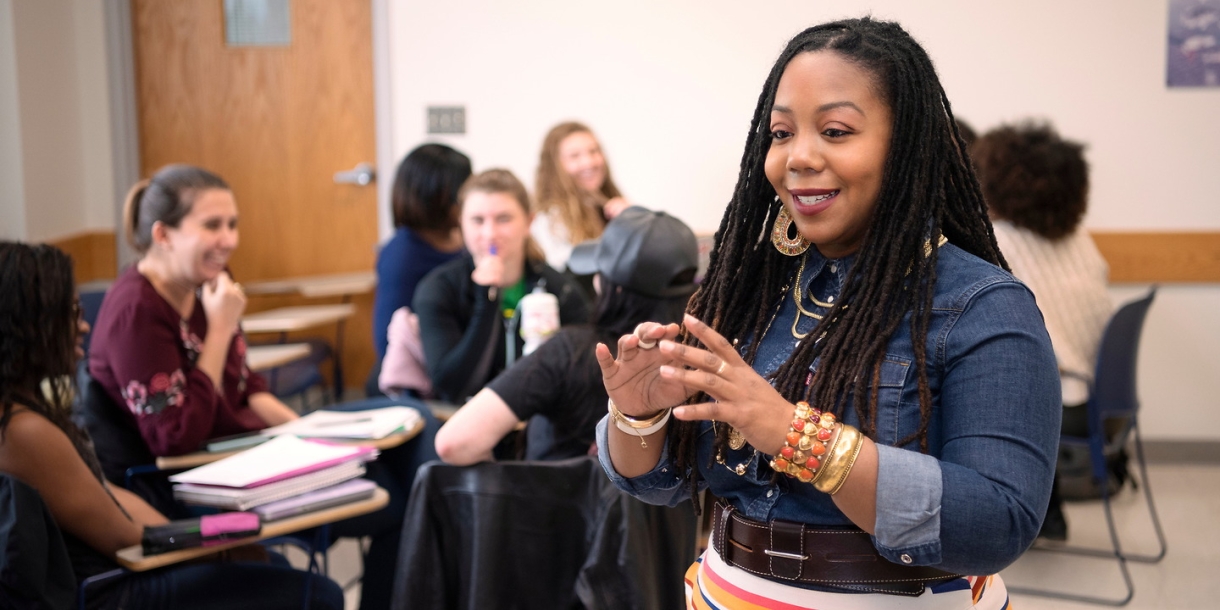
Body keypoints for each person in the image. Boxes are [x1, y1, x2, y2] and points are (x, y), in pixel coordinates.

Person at [594, 18, 1060, 608]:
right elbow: (662, 484)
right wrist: (638, 418)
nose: (798, 157)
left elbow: (997, 522)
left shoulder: (982, 307)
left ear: (907, 147)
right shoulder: (748, 291)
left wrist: (796, 437)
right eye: (781, 133)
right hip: (722, 591)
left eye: (837, 131)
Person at [87, 164, 440, 610]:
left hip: (252, 450)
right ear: (163, 235)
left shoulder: (205, 282)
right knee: (404, 498)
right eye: (212, 225)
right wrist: (218, 330)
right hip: (190, 481)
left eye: (232, 224)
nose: (229, 240)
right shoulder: (135, 311)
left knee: (415, 437)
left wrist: (319, 440)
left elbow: (249, 389)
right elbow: (175, 437)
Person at [0, 241, 344, 610]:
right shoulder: (24, 430)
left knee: (270, 565)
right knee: (317, 595)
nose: (83, 325)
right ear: (29, 325)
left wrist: (211, 542)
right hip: (110, 591)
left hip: (121, 567)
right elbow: (124, 537)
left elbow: (109, 494)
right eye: (70, 312)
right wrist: (222, 550)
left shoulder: (25, 412)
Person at [434, 207, 698, 465]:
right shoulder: (705, 360)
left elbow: (454, 444)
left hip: (555, 508)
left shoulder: (572, 352)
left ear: (614, 289)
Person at [973, 120, 1113, 541]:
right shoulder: (1079, 239)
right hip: (1096, 399)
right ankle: (1044, 512)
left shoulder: (998, 242)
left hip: (1062, 402)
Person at [413, 169, 590, 405]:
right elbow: (452, 387)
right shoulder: (439, 288)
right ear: (461, 223)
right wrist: (485, 300)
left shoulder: (560, 290)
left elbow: (584, 373)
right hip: (466, 419)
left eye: (503, 219)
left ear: (529, 222)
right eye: (477, 220)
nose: (490, 233)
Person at [372, 143, 471, 362]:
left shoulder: (465, 239)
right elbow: (387, 344)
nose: (468, 202)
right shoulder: (402, 256)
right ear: (434, 197)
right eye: (461, 194)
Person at [531, 122, 632, 270]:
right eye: (574, 156)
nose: (589, 162)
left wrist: (633, 222)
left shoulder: (611, 207)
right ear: (554, 166)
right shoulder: (548, 222)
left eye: (593, 151)